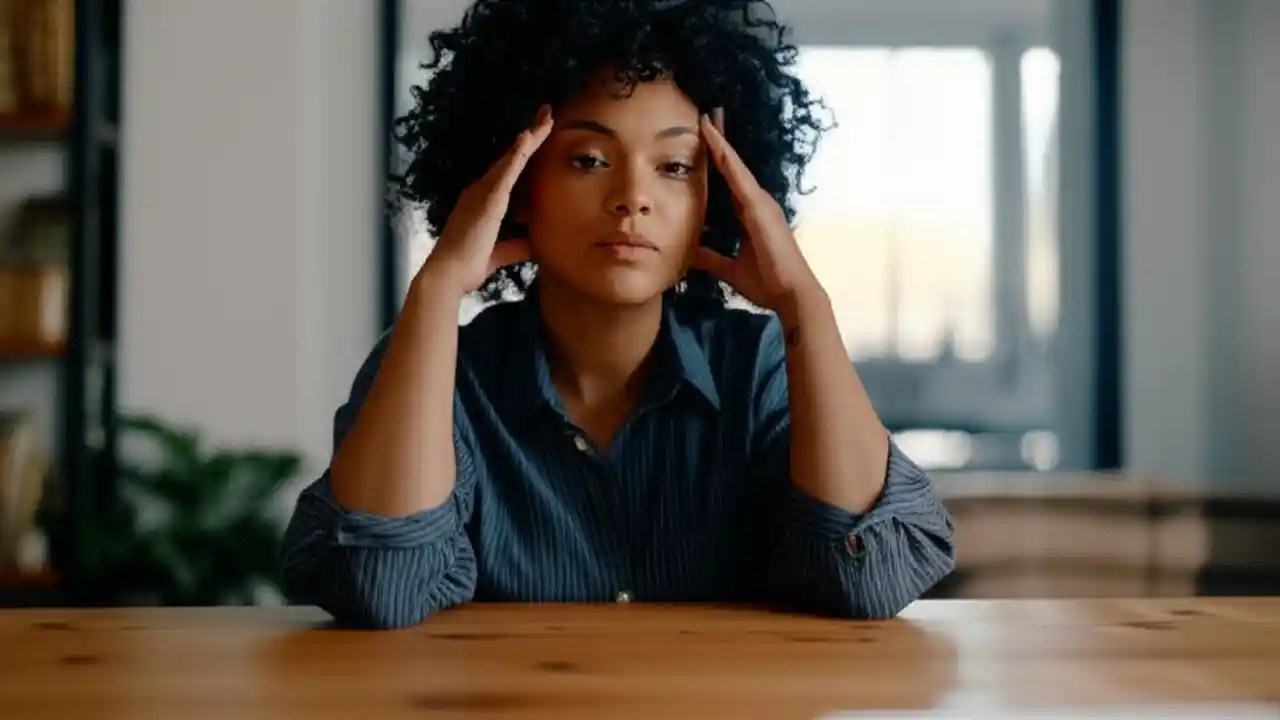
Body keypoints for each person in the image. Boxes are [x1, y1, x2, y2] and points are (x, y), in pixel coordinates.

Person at [282, 0, 955, 629]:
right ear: (514, 184)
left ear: (715, 196)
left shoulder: (758, 370)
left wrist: (804, 305)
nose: (633, 197)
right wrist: (436, 289)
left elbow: (875, 578)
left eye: (674, 165)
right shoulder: (442, 376)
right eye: (589, 159)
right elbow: (379, 583)